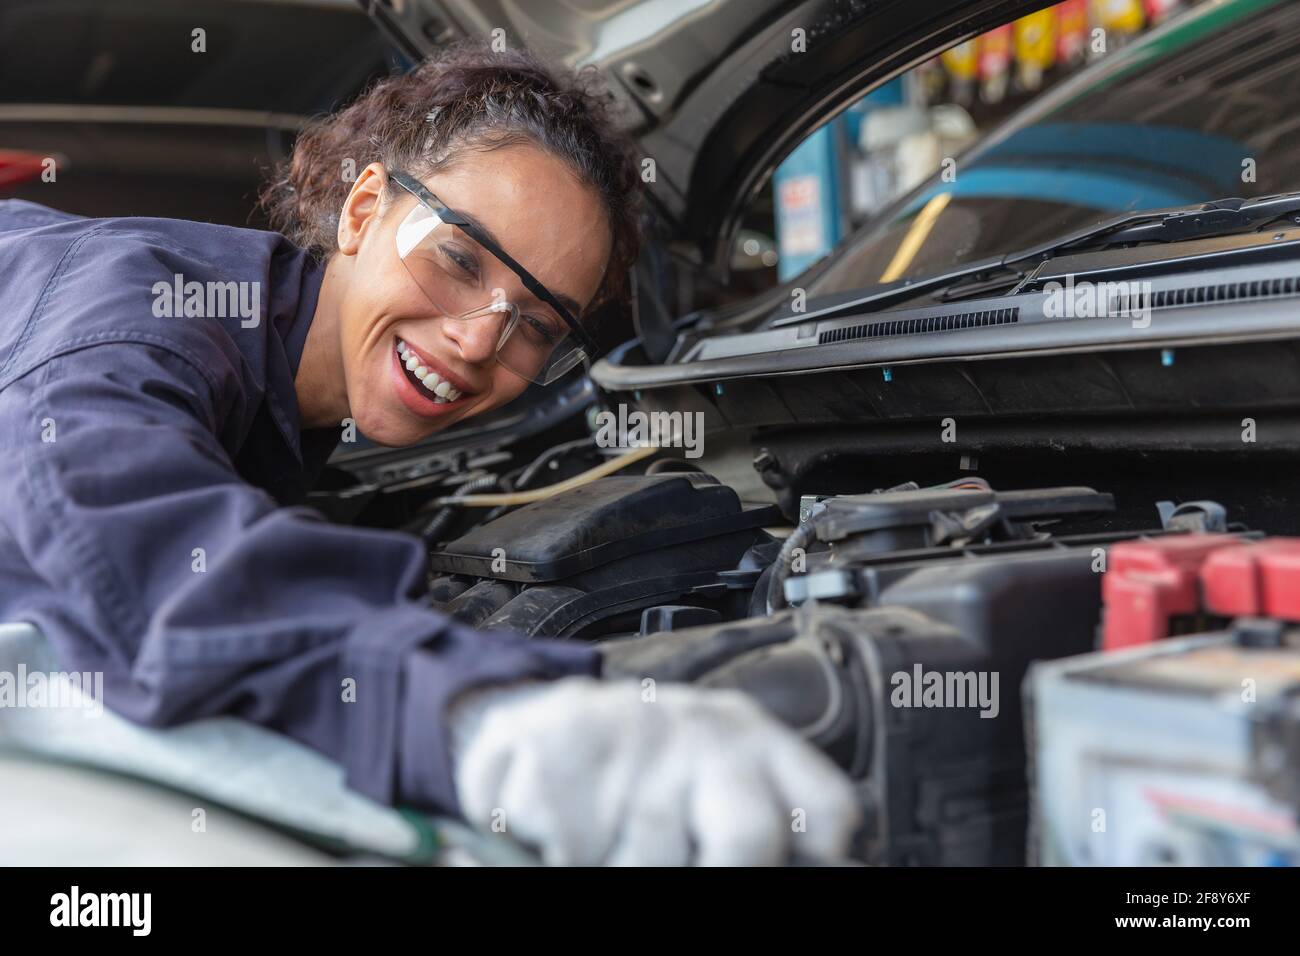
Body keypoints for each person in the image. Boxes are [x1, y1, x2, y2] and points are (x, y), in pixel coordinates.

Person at [0, 43, 858, 865]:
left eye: (536, 324)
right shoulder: (138, 315)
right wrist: (478, 715)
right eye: (457, 258)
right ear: (364, 208)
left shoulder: (276, 384)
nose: (479, 341)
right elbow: (127, 536)